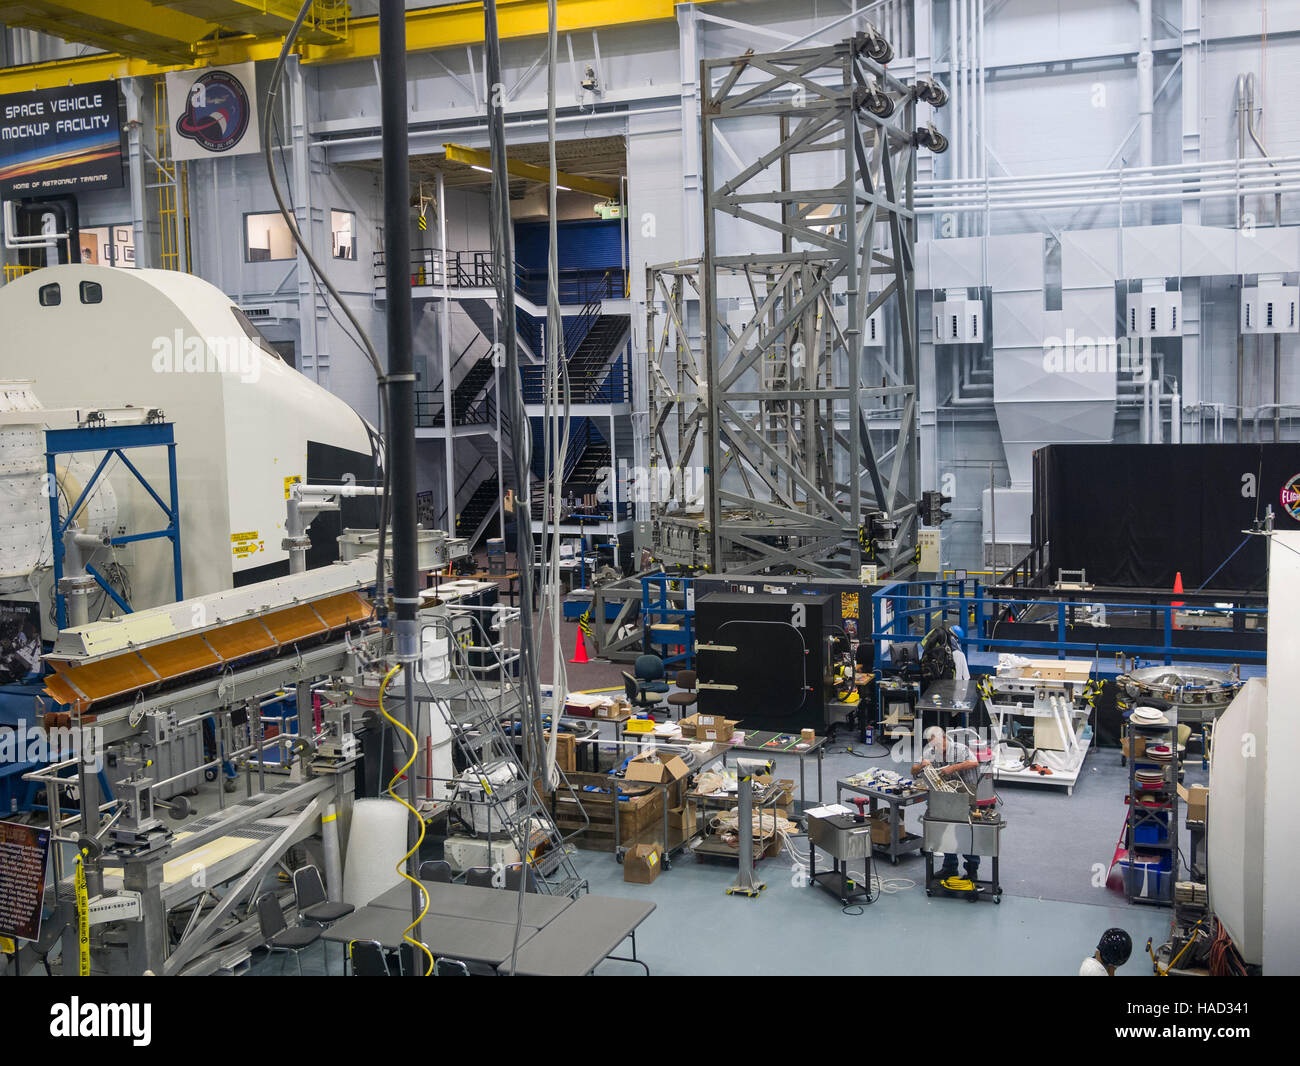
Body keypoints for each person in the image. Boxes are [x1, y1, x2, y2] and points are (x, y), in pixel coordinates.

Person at [912, 725, 982, 881]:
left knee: (966, 830)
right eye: (932, 745)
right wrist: (920, 765)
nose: (934, 747)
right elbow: (913, 771)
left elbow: (974, 762)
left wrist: (953, 768)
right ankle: (949, 867)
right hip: (943, 794)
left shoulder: (960, 749)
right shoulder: (928, 752)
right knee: (946, 830)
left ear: (944, 738)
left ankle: (972, 870)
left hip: (965, 791)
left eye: (936, 744)